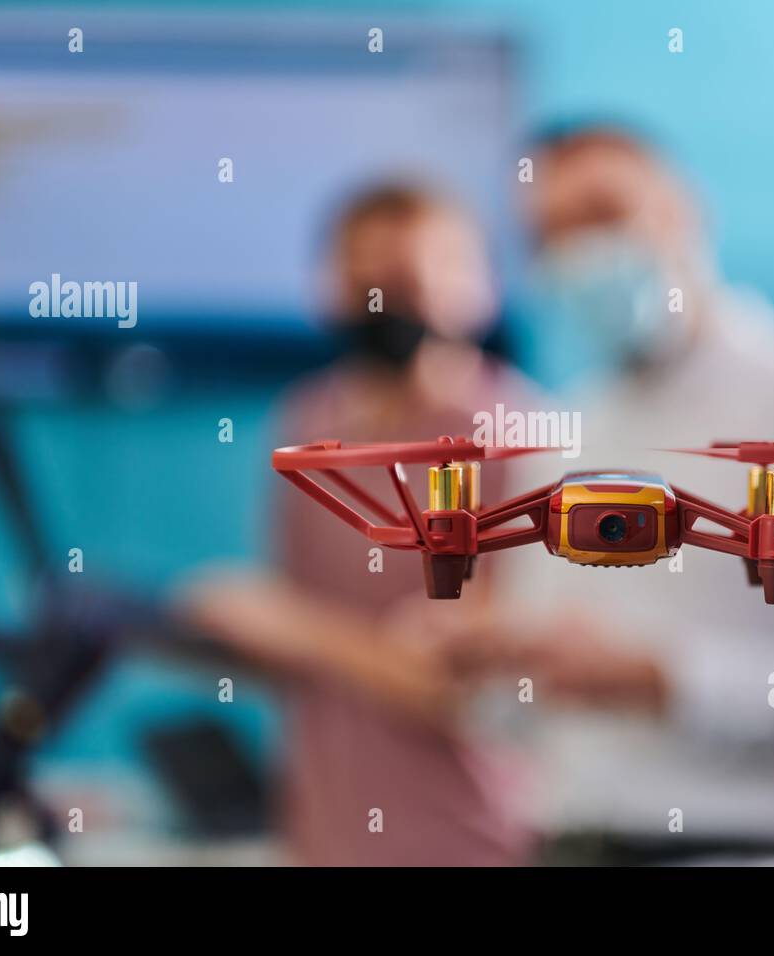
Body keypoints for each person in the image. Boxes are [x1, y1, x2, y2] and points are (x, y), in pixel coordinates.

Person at [447, 125, 774, 861]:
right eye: (548, 237)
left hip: (756, 843)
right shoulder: (558, 436)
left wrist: (661, 679)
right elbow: (523, 722)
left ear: (685, 211)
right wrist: (487, 664)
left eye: (603, 215)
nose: (578, 256)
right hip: (563, 839)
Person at [180, 184, 538, 865]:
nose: (382, 304)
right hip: (324, 843)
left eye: (406, 282)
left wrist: (284, 622)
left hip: (472, 845)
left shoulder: (514, 440)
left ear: (478, 288)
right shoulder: (308, 425)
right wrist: (223, 624)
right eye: (362, 281)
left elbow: (479, 691)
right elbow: (295, 649)